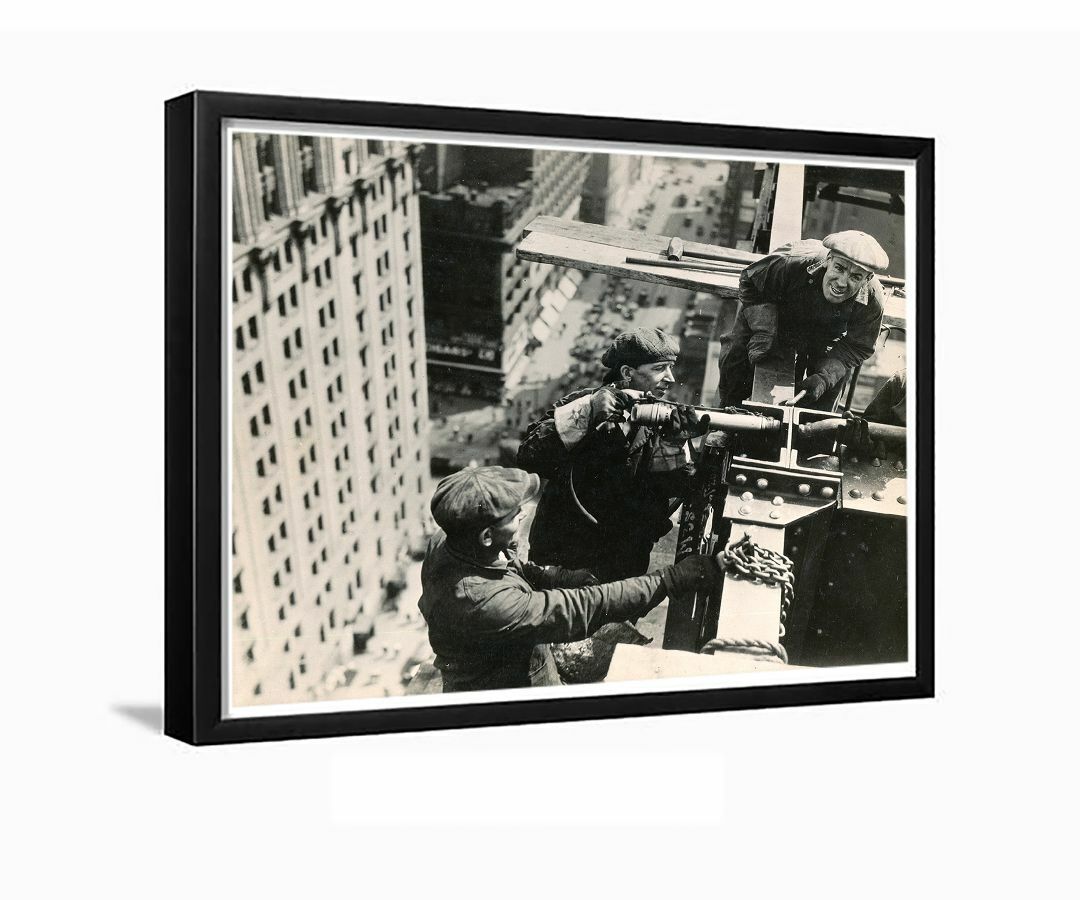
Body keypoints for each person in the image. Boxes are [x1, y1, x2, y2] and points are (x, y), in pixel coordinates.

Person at [418, 466, 717, 692]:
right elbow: (584, 606)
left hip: (498, 662)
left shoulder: (451, 539)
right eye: (514, 514)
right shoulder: (486, 603)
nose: (523, 515)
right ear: (486, 536)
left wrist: (557, 576)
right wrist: (672, 577)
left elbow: (508, 565)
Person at [517, 327, 706, 582]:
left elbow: (672, 490)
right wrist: (588, 411)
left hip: (621, 559)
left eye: (670, 368)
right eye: (660, 368)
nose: (670, 378)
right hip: (561, 551)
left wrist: (675, 443)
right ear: (627, 372)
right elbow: (529, 455)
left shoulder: (660, 419)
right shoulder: (583, 401)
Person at [716, 230, 889, 411]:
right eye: (839, 268)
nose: (842, 283)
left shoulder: (872, 301)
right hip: (774, 315)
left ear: (868, 279)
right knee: (737, 354)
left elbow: (859, 346)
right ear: (828, 259)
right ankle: (728, 411)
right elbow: (750, 280)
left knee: (829, 384)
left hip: (822, 333)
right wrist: (764, 331)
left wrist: (825, 377)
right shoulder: (792, 262)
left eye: (856, 277)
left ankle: (811, 425)